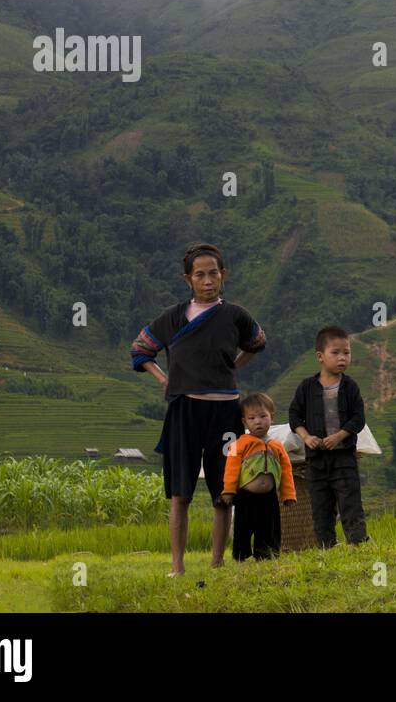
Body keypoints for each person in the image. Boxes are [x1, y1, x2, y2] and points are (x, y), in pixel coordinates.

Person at [130, 242, 267, 576]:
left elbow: (257, 342)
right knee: (181, 493)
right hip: (184, 412)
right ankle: (177, 568)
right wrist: (164, 379)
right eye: (200, 275)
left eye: (214, 273)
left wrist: (233, 367)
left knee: (224, 491)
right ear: (187, 279)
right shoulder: (175, 317)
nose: (208, 281)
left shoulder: (235, 315)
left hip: (226, 413)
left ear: (224, 275)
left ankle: (218, 563)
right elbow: (141, 349)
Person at [288, 326, 369, 547]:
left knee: (350, 501)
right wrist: (306, 438)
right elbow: (294, 416)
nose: (343, 358)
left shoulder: (350, 387)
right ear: (320, 356)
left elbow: (358, 418)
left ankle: (357, 544)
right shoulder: (306, 387)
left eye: (347, 352)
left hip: (344, 457)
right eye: (336, 352)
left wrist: (340, 436)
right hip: (316, 458)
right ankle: (326, 547)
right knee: (321, 504)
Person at [221, 392, 296, 561]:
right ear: (244, 422)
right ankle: (240, 556)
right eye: (252, 418)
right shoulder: (237, 444)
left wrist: (288, 494)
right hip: (245, 496)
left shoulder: (277, 446)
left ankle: (266, 556)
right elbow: (230, 468)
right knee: (243, 527)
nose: (258, 421)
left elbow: (286, 471)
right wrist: (228, 490)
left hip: (269, 497)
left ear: (272, 417)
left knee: (268, 528)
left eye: (263, 416)